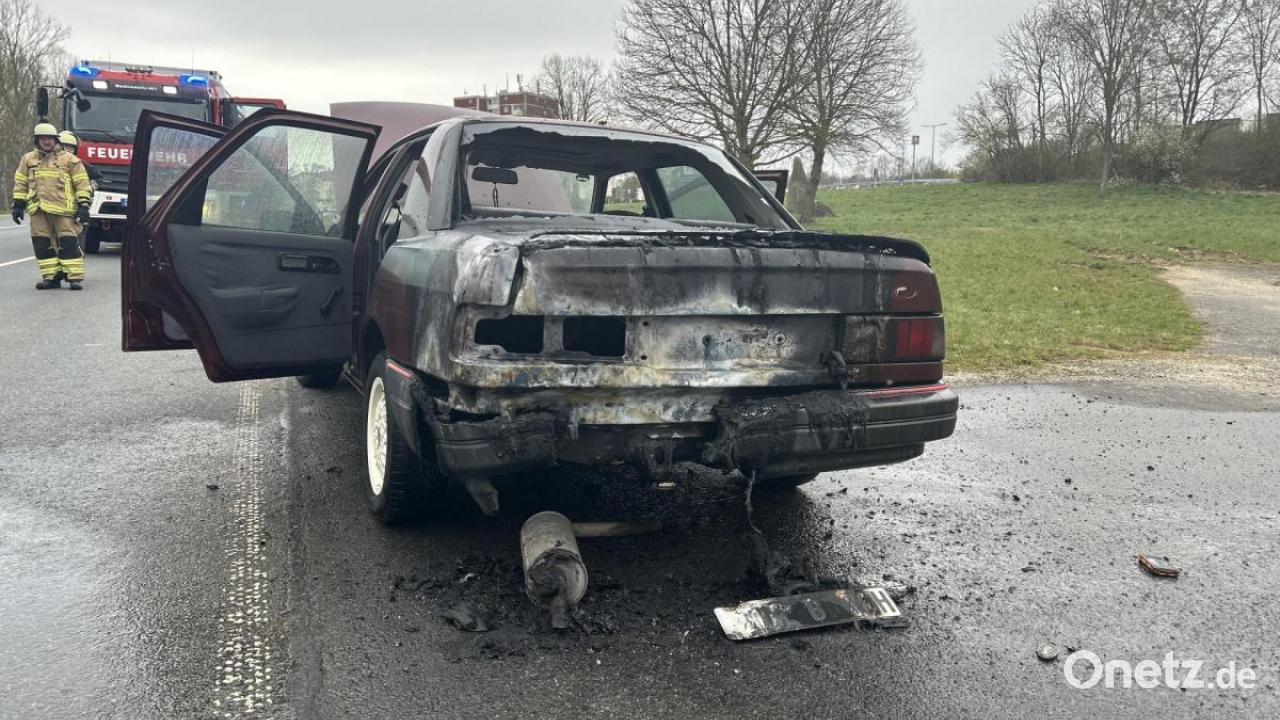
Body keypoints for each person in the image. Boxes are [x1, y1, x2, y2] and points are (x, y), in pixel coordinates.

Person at [10, 123, 91, 290]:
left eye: (49, 138)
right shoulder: (28, 159)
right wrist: (18, 204)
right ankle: (51, 277)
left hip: (64, 210)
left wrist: (83, 204)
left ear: (56, 140)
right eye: (42, 139)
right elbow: (20, 182)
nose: (46, 142)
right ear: (37, 140)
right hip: (38, 209)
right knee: (41, 243)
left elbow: (82, 183)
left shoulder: (69, 159)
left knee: (68, 242)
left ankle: (74, 277)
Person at [58, 131, 101, 255]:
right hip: (57, 209)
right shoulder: (50, 165)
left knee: (77, 242)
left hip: (78, 209)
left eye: (70, 147)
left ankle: (75, 269)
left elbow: (97, 179)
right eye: (64, 146)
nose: (67, 150)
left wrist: (89, 191)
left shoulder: (82, 165)